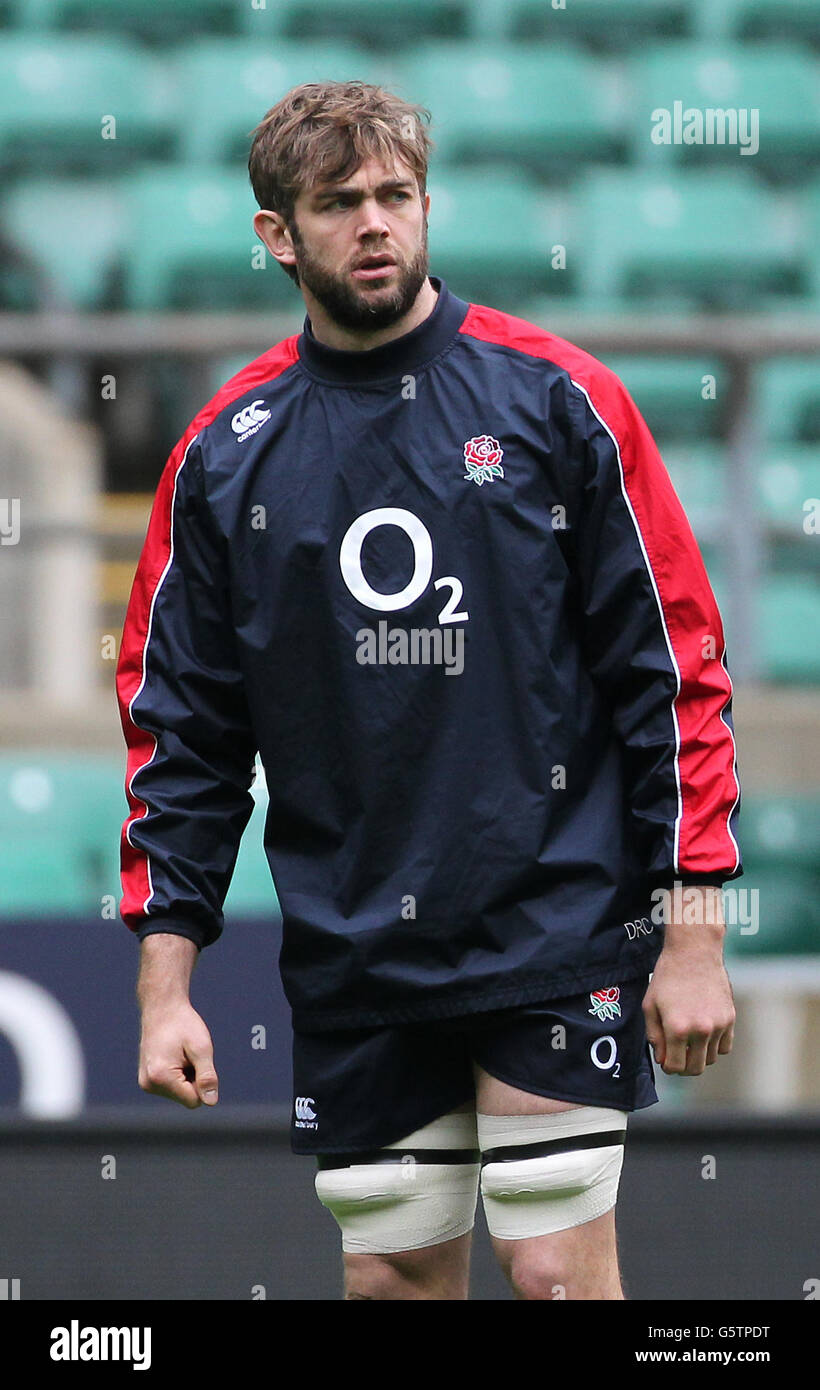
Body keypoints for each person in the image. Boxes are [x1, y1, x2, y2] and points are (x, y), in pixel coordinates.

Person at [117, 80, 742, 1301]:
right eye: (338, 203)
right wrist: (164, 990)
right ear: (276, 236)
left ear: (427, 204)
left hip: (557, 926)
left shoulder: (559, 402)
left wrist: (694, 932)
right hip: (358, 951)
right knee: (394, 1280)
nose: (375, 225)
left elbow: (673, 676)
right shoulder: (225, 454)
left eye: (396, 196)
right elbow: (181, 739)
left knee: (556, 1266)